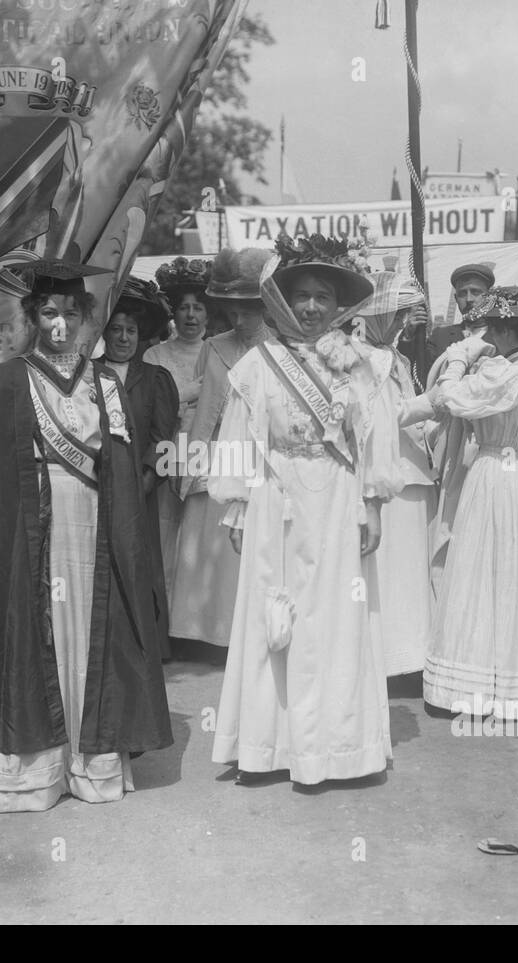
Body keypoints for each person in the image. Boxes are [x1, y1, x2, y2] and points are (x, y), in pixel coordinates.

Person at [0, 263, 172, 812]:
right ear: (32, 317)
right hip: (30, 530)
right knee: (31, 632)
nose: (60, 323)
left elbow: (119, 465)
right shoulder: (6, 379)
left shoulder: (107, 384)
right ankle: (34, 774)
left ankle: (91, 764)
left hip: (94, 527)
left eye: (72, 313)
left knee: (89, 633)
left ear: (85, 318)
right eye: (49, 312)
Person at [209, 236, 401, 785]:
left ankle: (339, 749)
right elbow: (238, 439)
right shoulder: (257, 366)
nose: (312, 307)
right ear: (280, 302)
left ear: (340, 305)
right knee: (276, 616)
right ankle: (271, 747)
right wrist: (237, 507)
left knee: (337, 619)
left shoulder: (362, 366)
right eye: (301, 297)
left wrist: (374, 503)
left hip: (339, 499)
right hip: (277, 497)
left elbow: (373, 441)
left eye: (322, 296)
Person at [419, 287, 518, 718]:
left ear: (507, 331)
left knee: (482, 571)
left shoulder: (500, 374)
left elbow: (447, 398)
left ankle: (477, 681)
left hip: (493, 473)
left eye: (493, 329)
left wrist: (455, 359)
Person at [168, 247, 275, 648]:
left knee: (248, 541)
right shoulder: (214, 348)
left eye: (248, 310)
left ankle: (247, 634)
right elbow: (202, 407)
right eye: (232, 310)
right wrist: (191, 462)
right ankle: (203, 633)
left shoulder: (279, 348)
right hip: (218, 452)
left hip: (262, 453)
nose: (239, 318)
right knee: (209, 539)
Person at [361, 272, 437, 676]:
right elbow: (382, 416)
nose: (405, 323)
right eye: (399, 316)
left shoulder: (393, 357)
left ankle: (410, 655)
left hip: (412, 473)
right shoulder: (373, 360)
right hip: (393, 476)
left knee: (409, 573)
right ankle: (390, 658)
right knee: (392, 571)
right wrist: (431, 404)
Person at [101, 278, 179, 659]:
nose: (123, 337)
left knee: (140, 560)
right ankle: (104, 643)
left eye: (131, 330)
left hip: (139, 488)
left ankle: (145, 644)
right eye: (116, 329)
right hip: (95, 484)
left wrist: (146, 480)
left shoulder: (154, 379)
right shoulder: (87, 376)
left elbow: (163, 440)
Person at [145, 257, 211, 592]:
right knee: (167, 535)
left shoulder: (219, 352)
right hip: (166, 455)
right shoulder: (155, 357)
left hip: (211, 457)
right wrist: (185, 393)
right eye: (184, 307)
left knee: (202, 539)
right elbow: (148, 409)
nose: (190, 315)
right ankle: (165, 623)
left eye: (198, 307)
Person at [404, 263, 495, 388]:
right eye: (463, 293)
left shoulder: (504, 337)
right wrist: (408, 335)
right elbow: (413, 372)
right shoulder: (440, 337)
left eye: (475, 292)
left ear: (489, 297)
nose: (469, 299)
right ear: (456, 298)